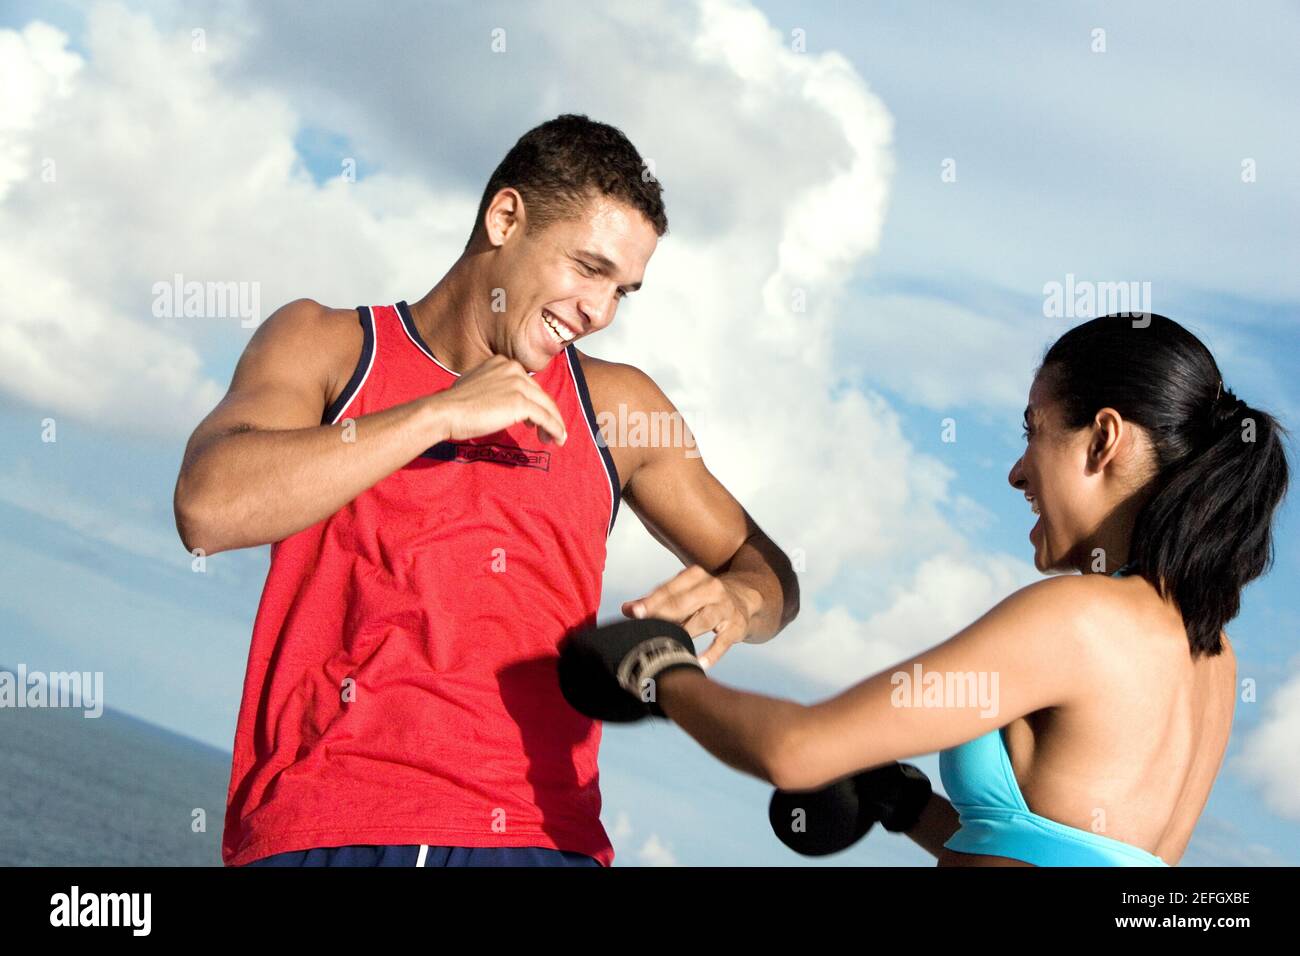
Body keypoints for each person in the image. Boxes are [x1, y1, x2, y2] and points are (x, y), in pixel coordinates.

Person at [172, 114, 800, 867]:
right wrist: (436, 412)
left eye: (623, 291)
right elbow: (208, 509)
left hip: (540, 840)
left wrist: (745, 603)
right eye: (588, 269)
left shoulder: (620, 411)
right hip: (327, 824)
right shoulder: (329, 346)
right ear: (506, 218)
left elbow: (768, 572)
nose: (599, 311)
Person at [562, 313, 1289, 866]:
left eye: (1033, 431)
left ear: (1103, 440)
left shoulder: (1083, 618)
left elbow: (796, 750)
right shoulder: (1211, 658)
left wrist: (660, 673)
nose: (1015, 471)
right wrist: (906, 806)